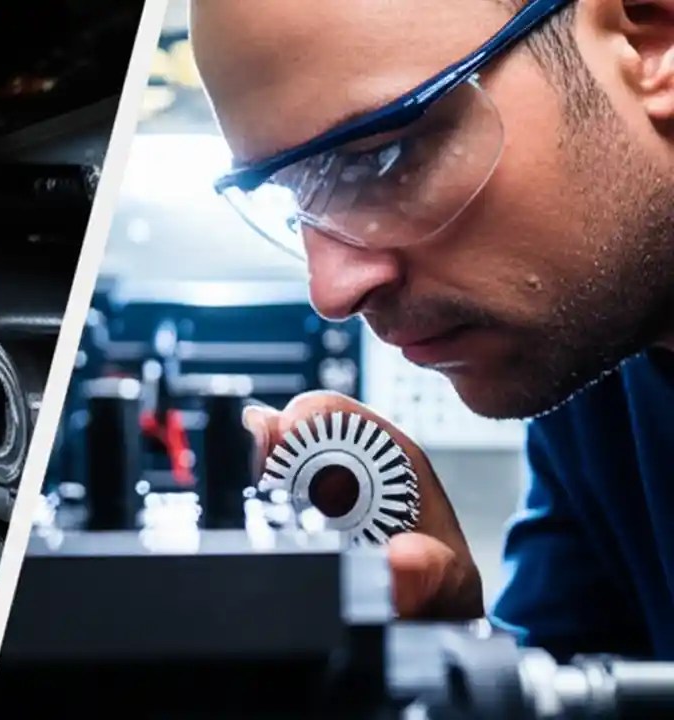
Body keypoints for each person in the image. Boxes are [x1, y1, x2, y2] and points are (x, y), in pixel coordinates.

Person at [189, 0, 674, 661]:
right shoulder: (600, 361)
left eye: (382, 156)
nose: (330, 291)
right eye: (298, 193)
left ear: (653, 41)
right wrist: (443, 651)